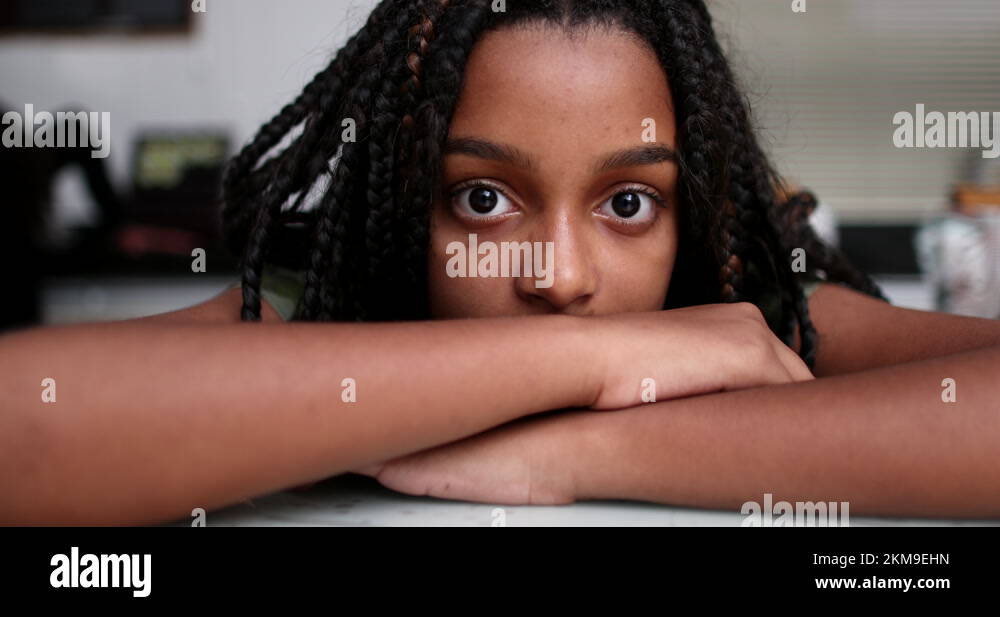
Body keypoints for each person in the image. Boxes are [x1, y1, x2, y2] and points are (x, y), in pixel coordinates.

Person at [2, 0, 999, 525]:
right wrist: (589, 362)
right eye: (483, 199)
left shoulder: (748, 315)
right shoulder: (339, 308)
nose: (558, 274)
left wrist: (570, 452)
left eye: (626, 203)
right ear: (403, 205)